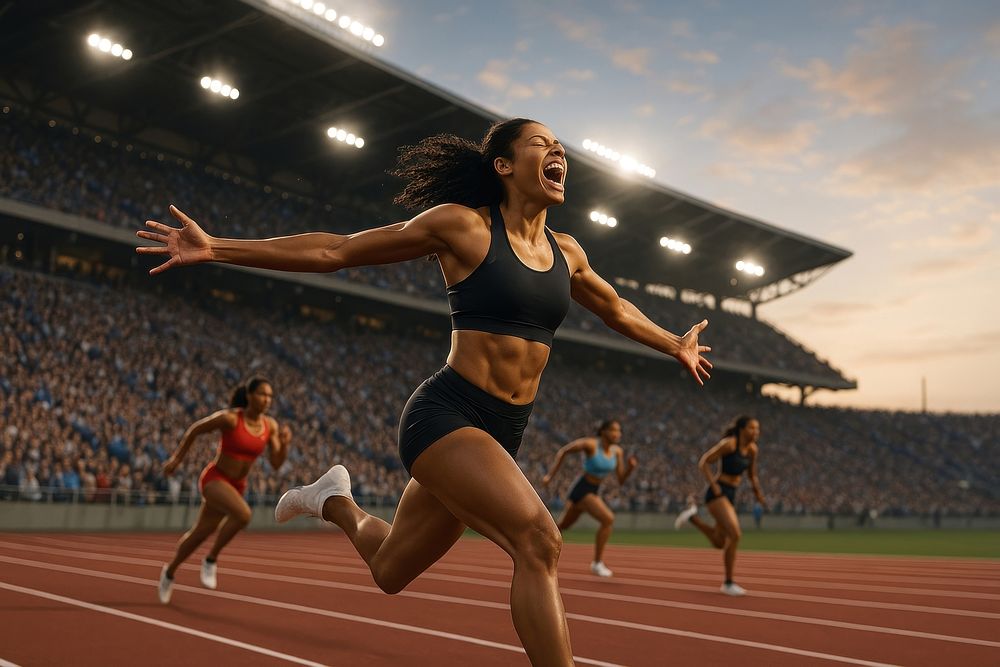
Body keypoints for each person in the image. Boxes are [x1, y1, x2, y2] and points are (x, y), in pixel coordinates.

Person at [137, 118, 712, 664]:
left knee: (390, 571)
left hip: (505, 431)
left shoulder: (568, 252)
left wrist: (674, 344)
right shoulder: (462, 226)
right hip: (448, 415)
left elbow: (614, 308)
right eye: (542, 143)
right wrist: (218, 247)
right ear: (504, 165)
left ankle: (333, 501)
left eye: (560, 144)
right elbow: (338, 250)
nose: (559, 151)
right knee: (540, 541)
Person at [156, 377, 291, 604]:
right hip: (215, 479)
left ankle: (168, 572)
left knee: (200, 533)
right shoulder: (230, 419)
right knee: (243, 515)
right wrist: (176, 460)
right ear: (249, 395)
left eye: (270, 396)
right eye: (262, 394)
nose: (267, 400)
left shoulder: (271, 426)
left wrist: (285, 444)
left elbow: (277, 464)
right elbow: (195, 429)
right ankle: (211, 559)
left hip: (237, 485)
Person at [674, 415, 766, 596]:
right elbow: (704, 462)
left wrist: (758, 493)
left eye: (757, 429)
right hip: (717, 493)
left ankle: (692, 518)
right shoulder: (730, 444)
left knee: (719, 541)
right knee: (735, 534)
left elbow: (752, 475)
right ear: (741, 429)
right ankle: (728, 583)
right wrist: (713, 485)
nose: (755, 432)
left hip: (732, 494)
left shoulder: (752, 450)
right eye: (751, 428)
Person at [541, 419, 636, 577]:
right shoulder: (590, 444)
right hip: (582, 488)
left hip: (594, 490)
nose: (618, 434)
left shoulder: (618, 452)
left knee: (562, 526)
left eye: (619, 431)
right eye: (614, 430)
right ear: (603, 431)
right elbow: (564, 451)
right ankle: (597, 563)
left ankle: (539, 546)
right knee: (608, 519)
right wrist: (550, 476)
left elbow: (620, 480)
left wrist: (630, 469)